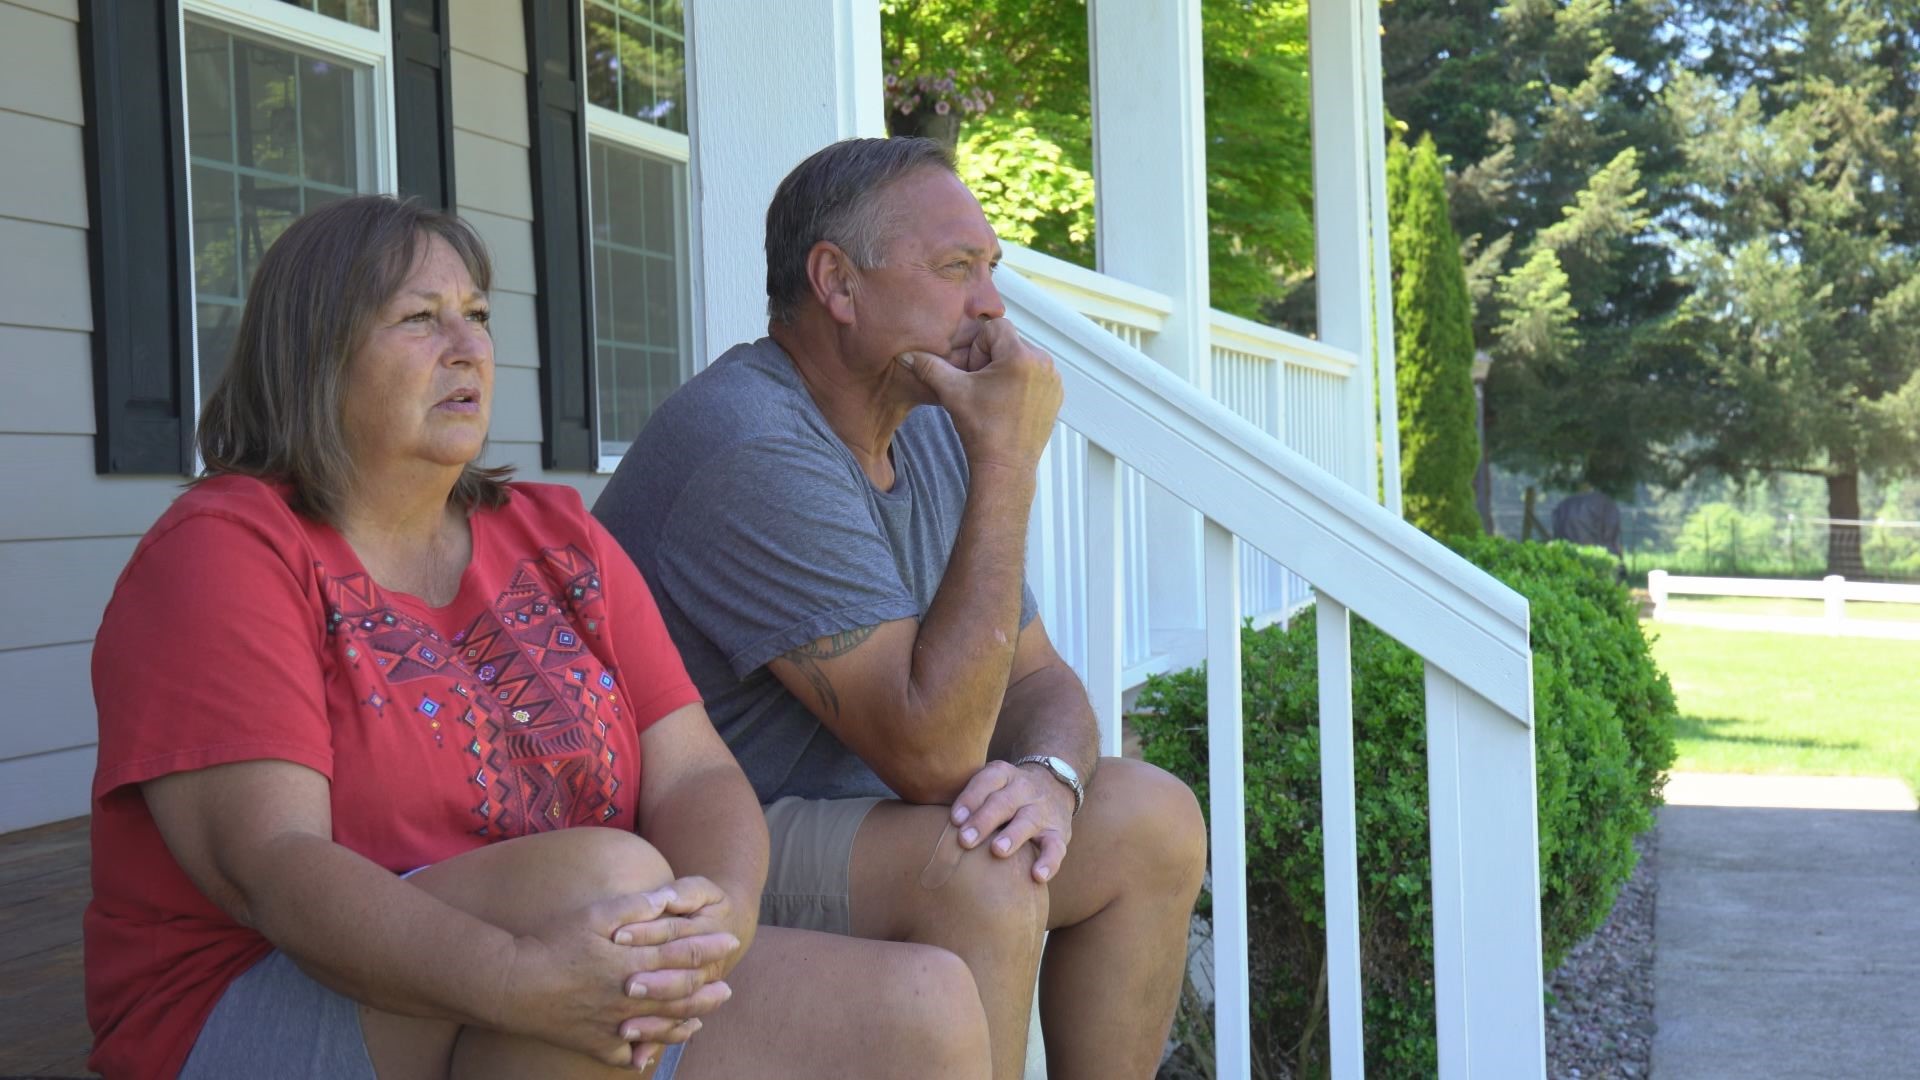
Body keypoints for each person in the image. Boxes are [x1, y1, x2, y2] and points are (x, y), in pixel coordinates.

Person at [84, 195, 991, 1080]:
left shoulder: (556, 534)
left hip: (571, 948)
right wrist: (525, 981)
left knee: (924, 1003)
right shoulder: (225, 551)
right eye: (419, 319)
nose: (467, 345)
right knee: (603, 883)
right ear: (314, 354)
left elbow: (696, 772)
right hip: (265, 1002)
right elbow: (271, 870)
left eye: (476, 315)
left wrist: (721, 913)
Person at [594, 137, 1209, 1080]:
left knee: (1150, 818)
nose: (991, 305)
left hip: (860, 813)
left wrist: (1048, 774)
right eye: (956, 269)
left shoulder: (923, 423)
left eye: (991, 271)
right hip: (708, 842)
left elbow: (1038, 677)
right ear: (838, 284)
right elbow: (935, 758)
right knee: (984, 871)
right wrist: (1010, 458)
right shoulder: (752, 445)